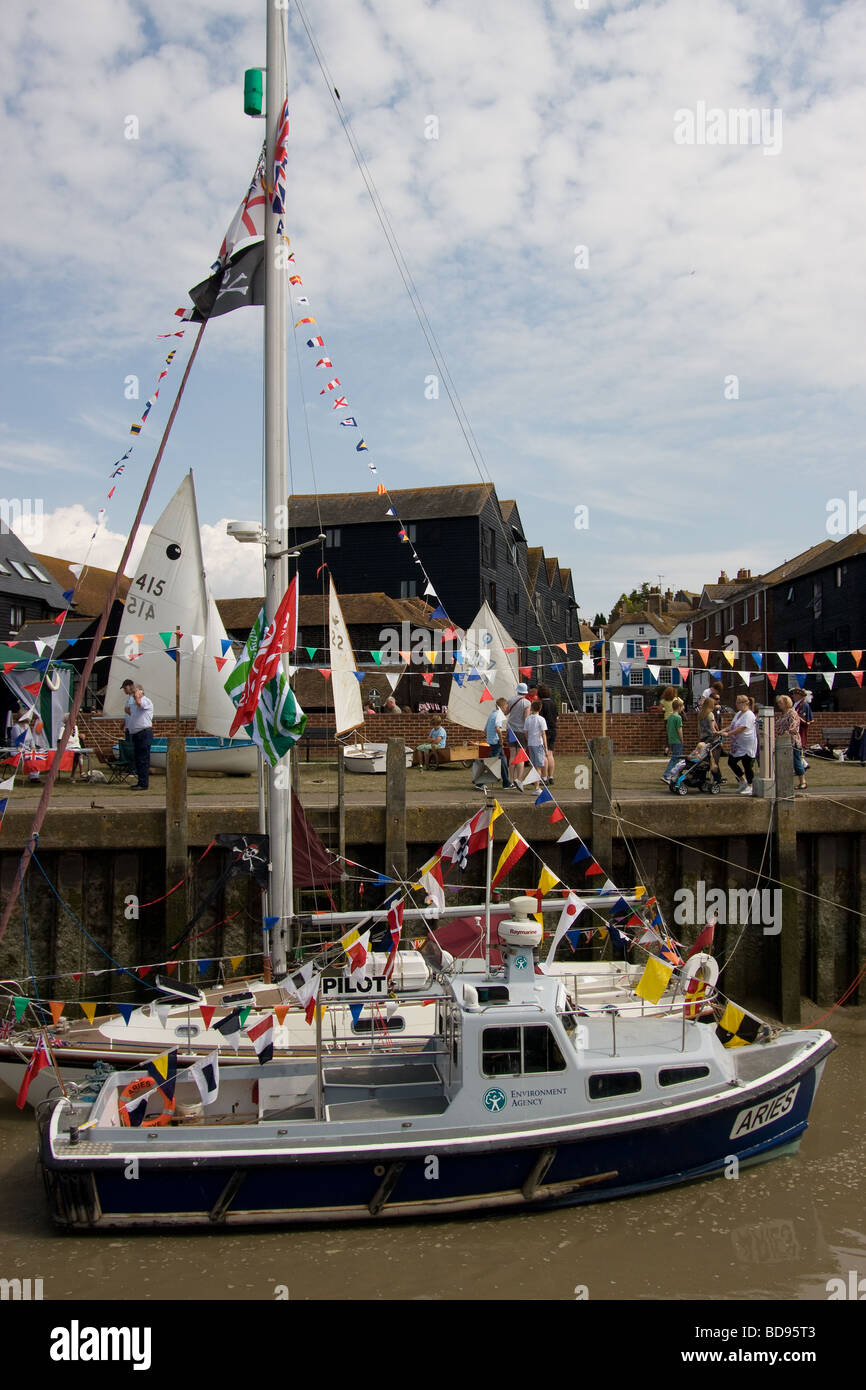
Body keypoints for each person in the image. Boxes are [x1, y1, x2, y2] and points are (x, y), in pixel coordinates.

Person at [720, 692, 757, 795]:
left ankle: (750, 786)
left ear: (744, 703)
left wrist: (728, 734)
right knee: (731, 762)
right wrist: (721, 731)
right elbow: (732, 725)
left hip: (747, 744)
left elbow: (741, 728)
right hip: (738, 744)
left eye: (738, 703)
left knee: (747, 765)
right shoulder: (738, 713)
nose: (736, 705)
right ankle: (743, 781)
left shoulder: (749, 715)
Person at [480, 697, 514, 790]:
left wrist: (486, 735)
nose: (507, 709)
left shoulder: (492, 714)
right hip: (496, 742)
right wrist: (501, 739)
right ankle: (480, 783)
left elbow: (485, 728)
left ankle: (506, 782)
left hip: (492, 741)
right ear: (502, 707)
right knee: (491, 763)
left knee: (503, 761)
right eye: (506, 707)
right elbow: (498, 729)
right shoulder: (499, 715)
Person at [775, 695, 807, 791]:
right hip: (782, 742)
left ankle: (803, 782)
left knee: (796, 761)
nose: (779, 704)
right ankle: (784, 782)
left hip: (792, 741)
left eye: (780, 702)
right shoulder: (783, 714)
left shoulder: (792, 713)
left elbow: (794, 727)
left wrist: (786, 733)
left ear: (786, 703)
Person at [125, 683, 154, 790]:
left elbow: (140, 704)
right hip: (136, 734)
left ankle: (143, 783)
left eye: (134, 692)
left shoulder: (146, 701)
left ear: (140, 691)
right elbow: (129, 710)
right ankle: (140, 781)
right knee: (138, 758)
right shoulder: (134, 703)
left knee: (143, 759)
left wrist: (137, 696)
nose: (133, 694)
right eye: (132, 692)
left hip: (144, 733)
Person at [506, 682, 531, 787]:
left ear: (517, 690)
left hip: (511, 730)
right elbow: (526, 718)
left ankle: (510, 780)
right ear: (525, 692)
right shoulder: (527, 703)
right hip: (521, 731)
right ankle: (519, 780)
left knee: (512, 755)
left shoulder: (511, 700)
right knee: (520, 756)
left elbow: (506, 712)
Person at [697, 696, 722, 786]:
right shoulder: (710, 714)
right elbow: (712, 728)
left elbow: (699, 728)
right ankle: (717, 778)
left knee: (703, 759)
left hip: (703, 738)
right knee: (713, 760)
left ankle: (702, 778)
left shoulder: (700, 714)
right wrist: (719, 733)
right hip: (711, 738)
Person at [10, 708, 41, 782]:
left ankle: (35, 775)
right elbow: (19, 741)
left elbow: (31, 739)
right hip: (17, 748)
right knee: (30, 754)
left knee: (37, 754)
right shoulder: (16, 728)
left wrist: (33, 746)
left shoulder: (27, 726)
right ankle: (33, 775)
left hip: (27, 748)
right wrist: (28, 749)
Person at [536, 685, 558, 785]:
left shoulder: (541, 704)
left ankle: (544, 777)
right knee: (550, 754)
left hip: (544, 731)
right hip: (553, 730)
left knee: (544, 754)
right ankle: (551, 776)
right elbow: (557, 717)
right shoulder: (553, 703)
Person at [524, 700, 549, 783]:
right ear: (540, 708)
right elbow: (543, 734)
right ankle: (537, 786)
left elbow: (526, 732)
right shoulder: (541, 719)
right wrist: (546, 747)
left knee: (534, 766)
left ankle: (535, 783)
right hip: (538, 744)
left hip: (531, 744)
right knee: (538, 767)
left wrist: (528, 740)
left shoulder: (527, 719)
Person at [662, 697, 685, 783]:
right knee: (675, 758)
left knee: (676, 759)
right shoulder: (678, 717)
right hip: (677, 740)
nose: (683, 708)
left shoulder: (670, 717)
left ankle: (674, 775)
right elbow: (679, 730)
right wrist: (682, 740)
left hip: (671, 740)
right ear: (679, 707)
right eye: (682, 706)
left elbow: (668, 729)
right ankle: (667, 774)